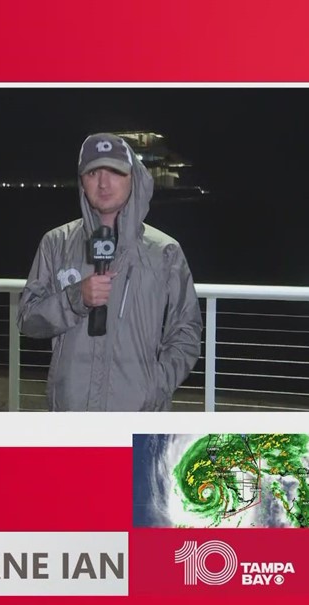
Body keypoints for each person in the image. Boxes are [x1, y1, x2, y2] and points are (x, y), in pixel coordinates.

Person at [17, 133, 201, 411]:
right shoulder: (55, 243)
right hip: (70, 414)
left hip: (139, 417)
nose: (103, 183)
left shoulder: (165, 252)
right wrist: (74, 298)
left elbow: (186, 330)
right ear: (82, 181)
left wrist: (156, 384)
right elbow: (28, 319)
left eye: (114, 171)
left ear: (133, 177)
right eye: (93, 172)